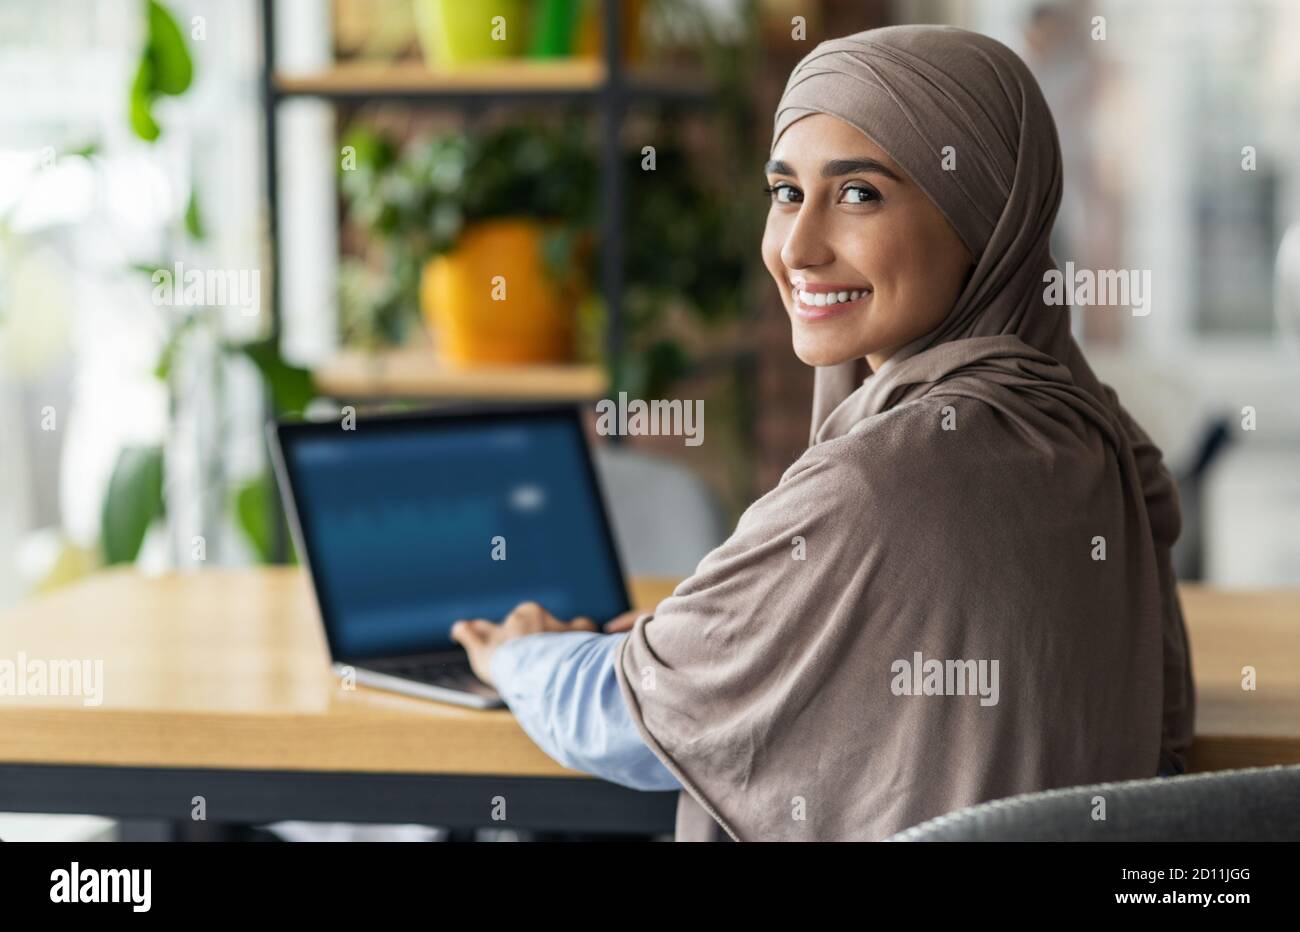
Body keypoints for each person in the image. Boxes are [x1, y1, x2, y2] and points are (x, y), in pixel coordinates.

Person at [450, 24, 1196, 842]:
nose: (798, 248)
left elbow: (624, 722)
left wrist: (519, 658)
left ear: (984, 217)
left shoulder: (887, 478)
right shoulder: (1091, 430)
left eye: (858, 194)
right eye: (784, 193)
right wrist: (737, 643)